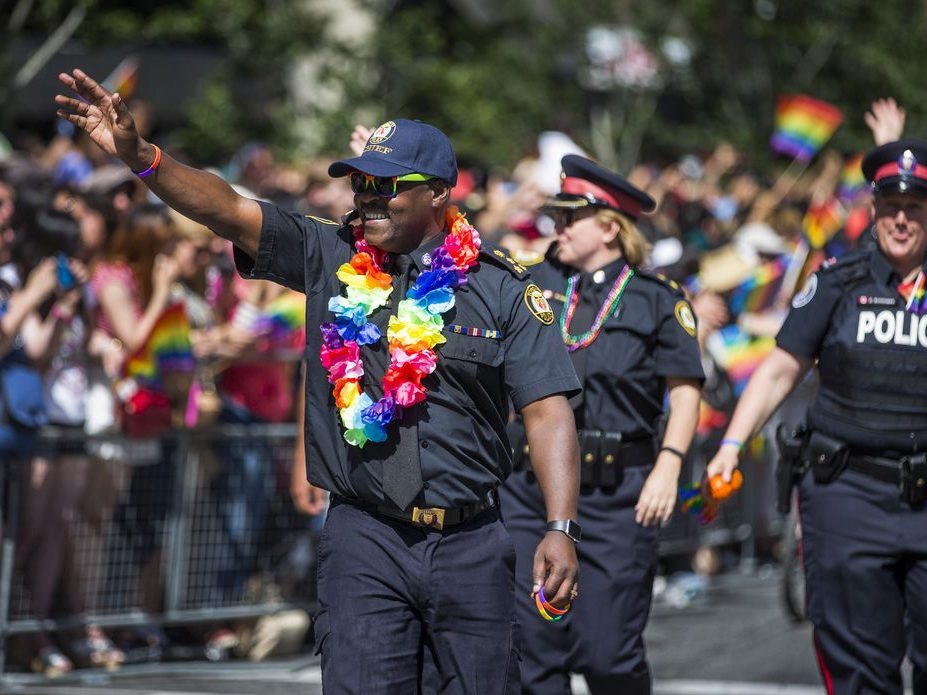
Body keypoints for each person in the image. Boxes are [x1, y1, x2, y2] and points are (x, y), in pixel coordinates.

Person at [56, 69, 582, 695]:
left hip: (470, 541)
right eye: (361, 181)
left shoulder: (503, 289)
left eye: (387, 185)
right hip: (366, 537)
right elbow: (226, 208)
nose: (368, 196)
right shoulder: (330, 256)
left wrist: (559, 526)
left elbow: (547, 412)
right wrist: (143, 160)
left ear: (439, 193)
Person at [706, 138, 927, 695]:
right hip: (849, 494)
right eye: (891, 207)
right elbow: (779, 370)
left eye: (916, 208)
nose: (902, 220)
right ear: (873, 210)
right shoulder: (836, 282)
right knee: (859, 668)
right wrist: (731, 446)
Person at [500, 155, 704, 695]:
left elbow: (685, 391)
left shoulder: (656, 298)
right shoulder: (532, 280)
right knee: (534, 654)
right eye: (556, 218)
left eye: (571, 219)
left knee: (607, 652)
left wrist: (670, 464)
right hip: (532, 491)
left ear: (611, 226)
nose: (557, 229)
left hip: (617, 495)